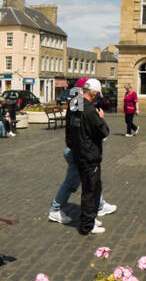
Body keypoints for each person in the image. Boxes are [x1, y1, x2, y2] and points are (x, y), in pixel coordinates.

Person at [67, 78, 110, 235]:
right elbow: (103, 131)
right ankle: (87, 225)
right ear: (94, 93)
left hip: (78, 151)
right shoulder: (91, 110)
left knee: (88, 187)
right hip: (89, 154)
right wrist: (101, 118)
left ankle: (90, 219)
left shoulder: (74, 104)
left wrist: (71, 145)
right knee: (91, 189)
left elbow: (69, 128)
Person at [49, 146, 117, 224]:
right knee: (74, 182)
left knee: (92, 180)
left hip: (79, 149)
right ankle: (55, 209)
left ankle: (99, 205)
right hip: (79, 150)